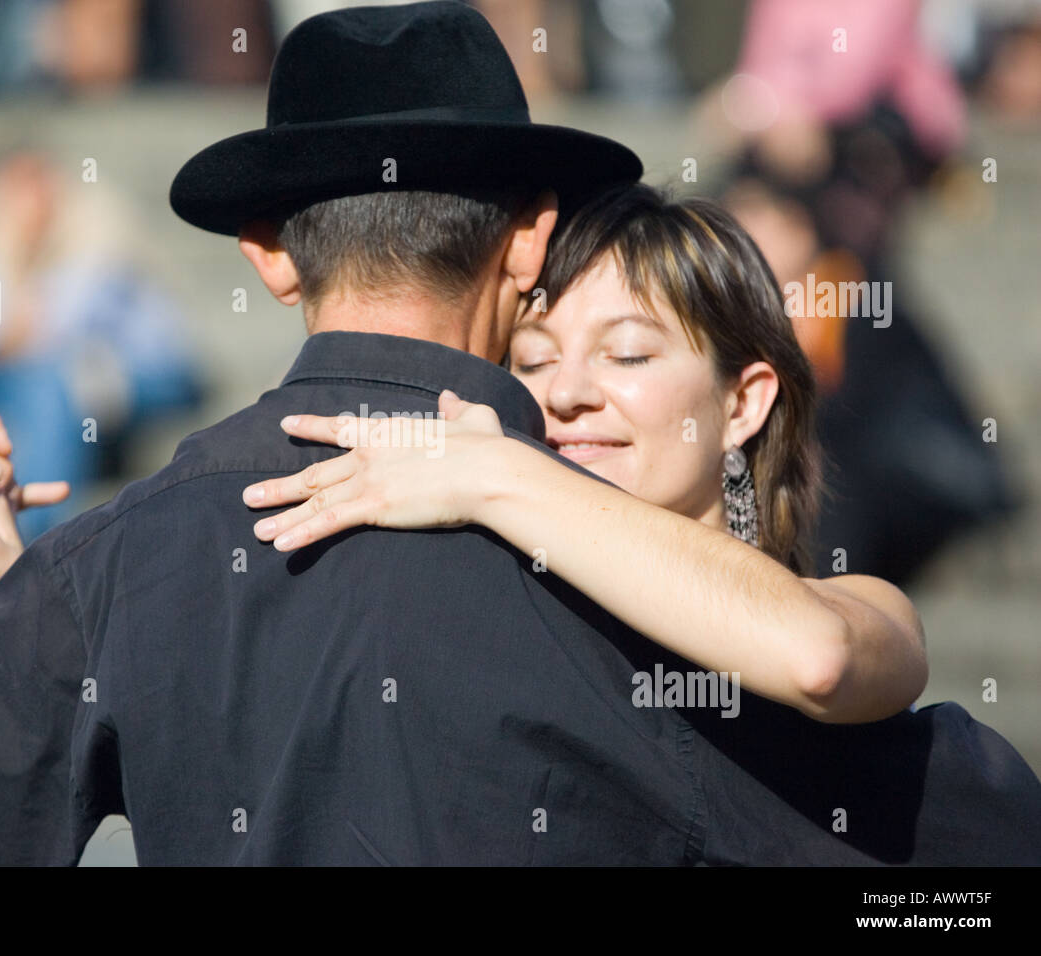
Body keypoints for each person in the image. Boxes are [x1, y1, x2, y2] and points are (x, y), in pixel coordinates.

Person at [0, 1, 1041, 866]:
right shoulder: (650, 581)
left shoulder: (126, 565)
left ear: (266, 255)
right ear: (533, 237)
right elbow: (966, 820)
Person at [238, 182, 928, 724]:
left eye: (627, 353)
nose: (565, 392)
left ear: (742, 403)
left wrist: (495, 471)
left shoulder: (857, 607)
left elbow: (818, 660)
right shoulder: (485, 616)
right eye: (533, 361)